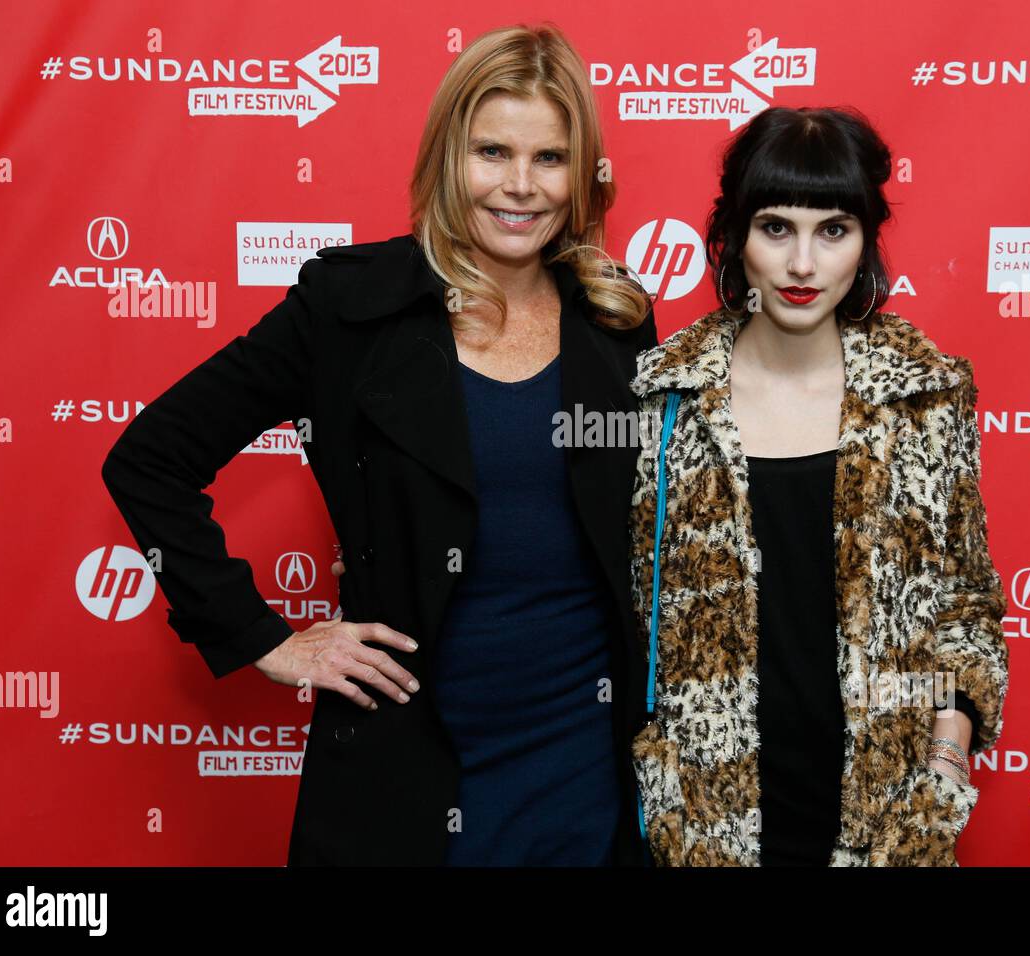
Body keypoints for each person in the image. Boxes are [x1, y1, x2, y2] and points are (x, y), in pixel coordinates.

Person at [102, 23, 657, 866]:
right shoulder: (350, 309)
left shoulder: (617, 318)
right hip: (407, 770)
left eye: (550, 158)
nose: (520, 186)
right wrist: (265, 639)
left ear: (582, 172)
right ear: (447, 158)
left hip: (586, 773)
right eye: (492, 152)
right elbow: (149, 460)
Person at [628, 106, 1009, 865]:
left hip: (887, 822)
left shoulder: (924, 397)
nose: (803, 264)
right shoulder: (661, 399)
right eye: (776, 228)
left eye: (833, 230)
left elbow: (968, 603)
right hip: (708, 820)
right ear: (735, 236)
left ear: (866, 240)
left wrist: (945, 760)